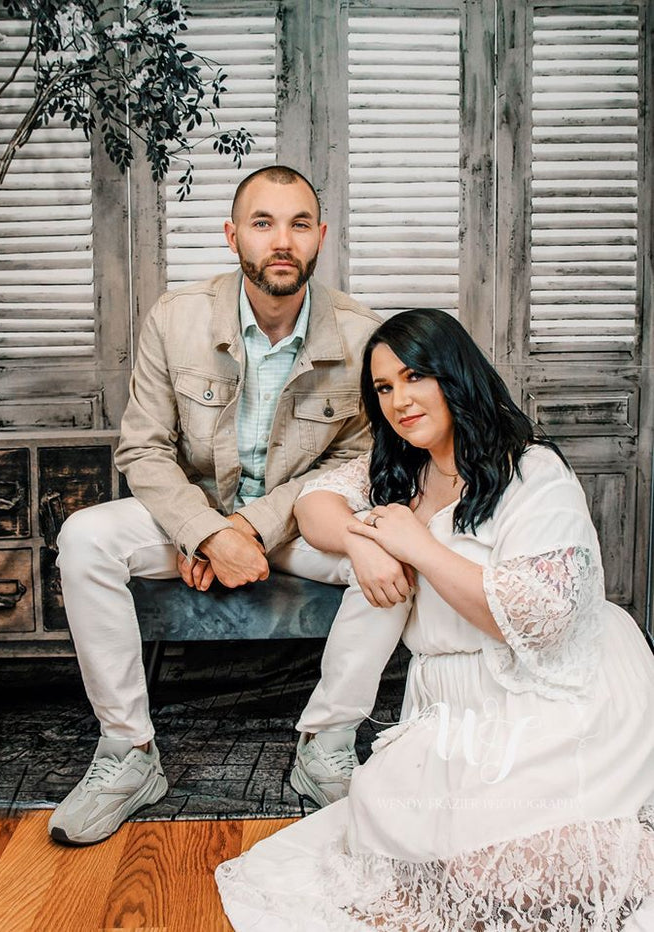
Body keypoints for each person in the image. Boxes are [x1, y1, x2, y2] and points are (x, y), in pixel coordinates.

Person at [215, 308, 654, 931]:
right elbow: (313, 504)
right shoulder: (404, 470)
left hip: (551, 691)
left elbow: (538, 623)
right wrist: (363, 542)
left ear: (455, 375)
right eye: (384, 388)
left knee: (491, 876)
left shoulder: (529, 470)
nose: (399, 400)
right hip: (452, 704)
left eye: (415, 376)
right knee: (389, 837)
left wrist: (417, 545)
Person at [48, 165, 404, 846]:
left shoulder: (363, 336)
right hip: (192, 512)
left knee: (388, 557)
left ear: (321, 236)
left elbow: (356, 461)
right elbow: (143, 451)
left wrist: (251, 526)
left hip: (302, 520)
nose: (282, 240)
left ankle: (326, 745)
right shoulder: (176, 318)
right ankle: (129, 754)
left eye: (299, 224)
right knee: (85, 536)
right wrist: (207, 533)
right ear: (231, 233)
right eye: (263, 222)